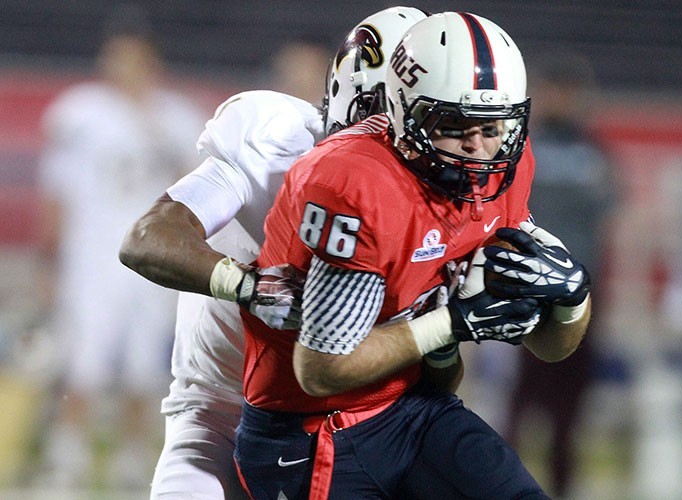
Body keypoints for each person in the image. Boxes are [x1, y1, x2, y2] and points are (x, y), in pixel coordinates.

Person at [235, 12, 592, 499]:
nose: (477, 146)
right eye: (453, 123)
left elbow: (553, 347)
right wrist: (450, 324)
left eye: (492, 126)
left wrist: (572, 298)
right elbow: (321, 368)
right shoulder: (357, 181)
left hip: (412, 409)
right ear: (402, 112)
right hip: (312, 427)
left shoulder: (504, 165)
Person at [118, 7, 431, 499]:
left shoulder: (446, 190)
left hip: (343, 425)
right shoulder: (278, 141)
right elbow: (148, 238)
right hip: (220, 416)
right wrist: (246, 284)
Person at [35, 4, 205, 489]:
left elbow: (195, 196)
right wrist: (49, 260)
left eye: (133, 56)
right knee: (84, 361)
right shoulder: (80, 110)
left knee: (143, 364)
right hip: (91, 258)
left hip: (153, 260)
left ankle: (134, 460)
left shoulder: (177, 115)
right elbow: (57, 191)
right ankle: (67, 460)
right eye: (116, 56)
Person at [472, 49, 618, 497]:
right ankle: (495, 487)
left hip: (574, 294)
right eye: (556, 91)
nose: (563, 100)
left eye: (570, 92)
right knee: (511, 404)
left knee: (568, 412)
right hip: (514, 289)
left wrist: (598, 296)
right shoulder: (517, 144)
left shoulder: (596, 152)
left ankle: (560, 489)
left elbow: (605, 228)